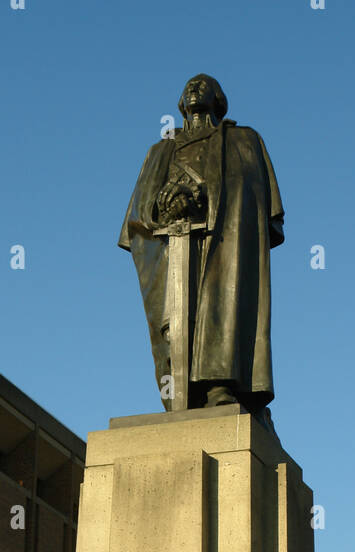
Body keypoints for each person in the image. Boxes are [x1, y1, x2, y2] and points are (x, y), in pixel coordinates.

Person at [120, 74, 285, 421]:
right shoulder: (161, 149)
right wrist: (164, 206)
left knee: (221, 307)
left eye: (203, 85)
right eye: (189, 86)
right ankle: (180, 391)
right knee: (173, 319)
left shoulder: (244, 140)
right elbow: (139, 211)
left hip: (222, 241)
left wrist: (200, 197)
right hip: (170, 245)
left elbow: (251, 197)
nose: (194, 88)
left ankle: (219, 387)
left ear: (218, 99)